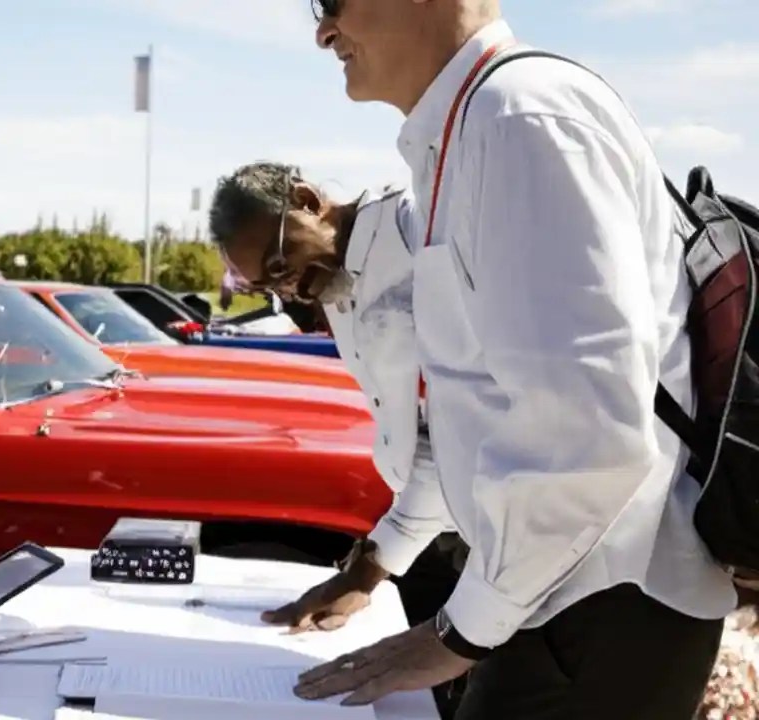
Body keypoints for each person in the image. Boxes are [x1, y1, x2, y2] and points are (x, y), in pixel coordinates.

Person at [279, 1, 737, 718]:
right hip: (557, 604)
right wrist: (387, 574)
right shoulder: (475, 129)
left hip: (598, 613)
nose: (323, 30)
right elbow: (478, 417)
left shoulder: (521, 121)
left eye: (332, 0)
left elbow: (588, 434)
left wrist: (460, 633)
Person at [208, 160, 470, 718]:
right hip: (451, 525)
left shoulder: (418, 231)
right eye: (267, 284)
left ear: (306, 200)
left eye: (282, 263)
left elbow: (454, 441)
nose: (290, 288)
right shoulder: (336, 278)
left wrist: (366, 572)